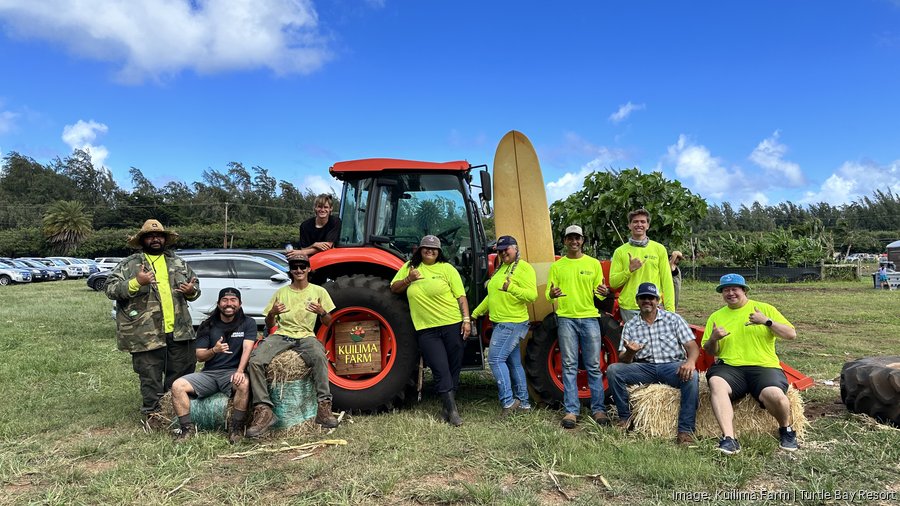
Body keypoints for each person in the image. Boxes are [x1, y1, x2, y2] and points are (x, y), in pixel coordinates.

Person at [106, 219, 200, 430]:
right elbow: (110, 288)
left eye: (159, 236)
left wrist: (191, 292)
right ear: (142, 240)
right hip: (145, 332)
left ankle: (174, 408)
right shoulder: (130, 264)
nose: (155, 239)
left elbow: (195, 289)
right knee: (150, 375)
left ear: (165, 239)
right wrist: (136, 282)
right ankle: (153, 414)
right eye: (150, 236)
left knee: (181, 372)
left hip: (179, 330)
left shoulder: (178, 263)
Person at [701, 273, 799, 455]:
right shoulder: (716, 316)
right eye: (725, 290)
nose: (730, 293)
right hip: (730, 367)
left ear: (744, 290)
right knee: (716, 383)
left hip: (764, 366)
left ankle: (786, 429)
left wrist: (766, 322)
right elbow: (710, 351)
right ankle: (729, 438)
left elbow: (791, 334)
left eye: (734, 289)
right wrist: (713, 339)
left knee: (776, 396)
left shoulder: (763, 309)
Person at [245, 254, 339, 437]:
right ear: (291, 270)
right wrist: (272, 312)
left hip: (306, 335)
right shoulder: (281, 293)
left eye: (302, 266)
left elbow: (329, 322)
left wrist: (322, 312)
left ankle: (324, 407)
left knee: (319, 357)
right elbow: (270, 323)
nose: (299, 270)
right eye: (295, 267)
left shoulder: (319, 292)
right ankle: (264, 409)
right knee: (255, 361)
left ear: (309, 269)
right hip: (282, 335)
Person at [391, 235, 471, 426]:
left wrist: (466, 320)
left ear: (439, 252)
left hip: (452, 323)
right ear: (420, 250)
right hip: (426, 329)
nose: (430, 251)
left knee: (453, 366)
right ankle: (452, 411)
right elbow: (394, 288)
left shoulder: (447, 269)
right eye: (426, 248)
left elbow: (461, 296)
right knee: (440, 367)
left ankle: (446, 406)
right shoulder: (410, 267)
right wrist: (409, 279)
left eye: (434, 249)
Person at [606, 282, 699, 444]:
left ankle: (685, 430)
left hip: (672, 366)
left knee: (692, 376)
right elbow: (623, 359)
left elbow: (693, 347)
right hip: (645, 368)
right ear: (637, 301)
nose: (647, 301)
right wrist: (630, 352)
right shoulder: (630, 325)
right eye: (643, 298)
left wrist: (690, 362)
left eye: (651, 298)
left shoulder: (673, 319)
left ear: (658, 300)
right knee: (614, 370)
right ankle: (625, 419)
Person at [170, 288, 257, 443]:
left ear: (240, 303)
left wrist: (240, 371)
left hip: (231, 373)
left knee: (243, 383)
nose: (228, 304)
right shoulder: (208, 325)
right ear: (218, 303)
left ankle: (236, 429)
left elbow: (247, 348)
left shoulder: (248, 323)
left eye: (233, 300)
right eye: (224, 300)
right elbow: (200, 355)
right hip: (209, 374)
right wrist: (214, 350)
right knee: (177, 385)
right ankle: (186, 430)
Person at [547, 225, 612, 429]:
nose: (574, 241)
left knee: (593, 365)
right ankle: (571, 411)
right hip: (566, 318)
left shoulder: (593, 264)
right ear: (565, 241)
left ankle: (598, 408)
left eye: (577, 238)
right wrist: (552, 294)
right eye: (570, 238)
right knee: (569, 366)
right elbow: (550, 293)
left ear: (582, 240)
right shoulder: (557, 266)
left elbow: (600, 293)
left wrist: (604, 291)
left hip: (590, 318)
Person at [471, 236, 537, 416]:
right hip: (501, 322)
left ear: (515, 248)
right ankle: (524, 404)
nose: (502, 253)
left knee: (495, 359)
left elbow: (532, 295)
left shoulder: (524, 268)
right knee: (514, 363)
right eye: (499, 250)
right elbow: (492, 297)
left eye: (505, 249)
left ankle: (508, 402)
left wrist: (511, 289)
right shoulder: (500, 269)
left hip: (512, 322)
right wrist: (475, 313)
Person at [610, 209, 676, 322]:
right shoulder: (620, 251)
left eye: (643, 222)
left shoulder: (659, 249)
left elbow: (667, 280)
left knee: (655, 339)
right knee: (634, 340)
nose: (639, 225)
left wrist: (670, 310)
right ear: (629, 225)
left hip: (654, 305)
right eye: (635, 222)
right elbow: (613, 283)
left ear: (648, 225)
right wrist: (629, 270)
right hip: (629, 308)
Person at [290, 194, 341, 259]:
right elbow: (303, 248)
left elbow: (327, 247)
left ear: (330, 208)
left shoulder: (335, 222)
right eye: (319, 207)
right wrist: (315, 244)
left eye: (325, 207)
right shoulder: (305, 226)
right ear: (315, 208)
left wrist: (301, 252)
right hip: (310, 261)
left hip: (329, 259)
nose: (322, 210)